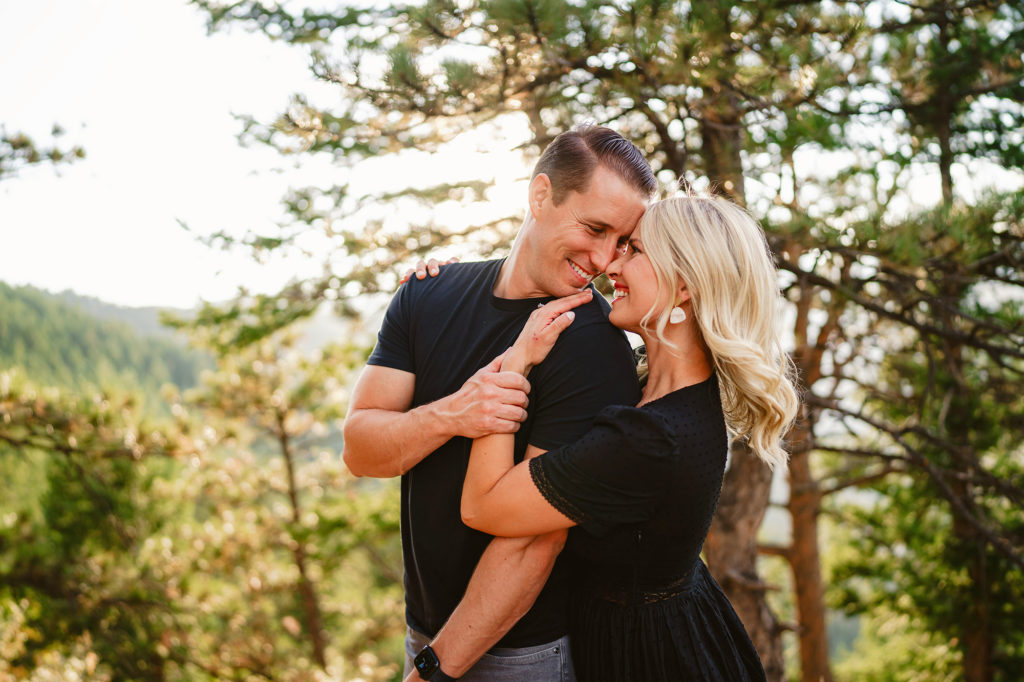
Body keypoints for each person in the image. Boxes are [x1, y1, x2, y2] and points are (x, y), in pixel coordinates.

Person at [342, 124, 657, 680]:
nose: (606, 259)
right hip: (424, 633)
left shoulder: (594, 346)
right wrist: (453, 414)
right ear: (541, 196)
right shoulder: (427, 292)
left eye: (623, 242)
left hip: (519, 655)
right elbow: (362, 451)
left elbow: (535, 542)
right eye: (594, 228)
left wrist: (434, 672)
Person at [459, 192, 800, 680]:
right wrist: (452, 284)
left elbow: (483, 505)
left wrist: (515, 364)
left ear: (684, 286)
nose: (610, 264)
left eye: (633, 250)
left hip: (649, 659)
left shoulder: (650, 438)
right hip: (680, 632)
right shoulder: (670, 394)